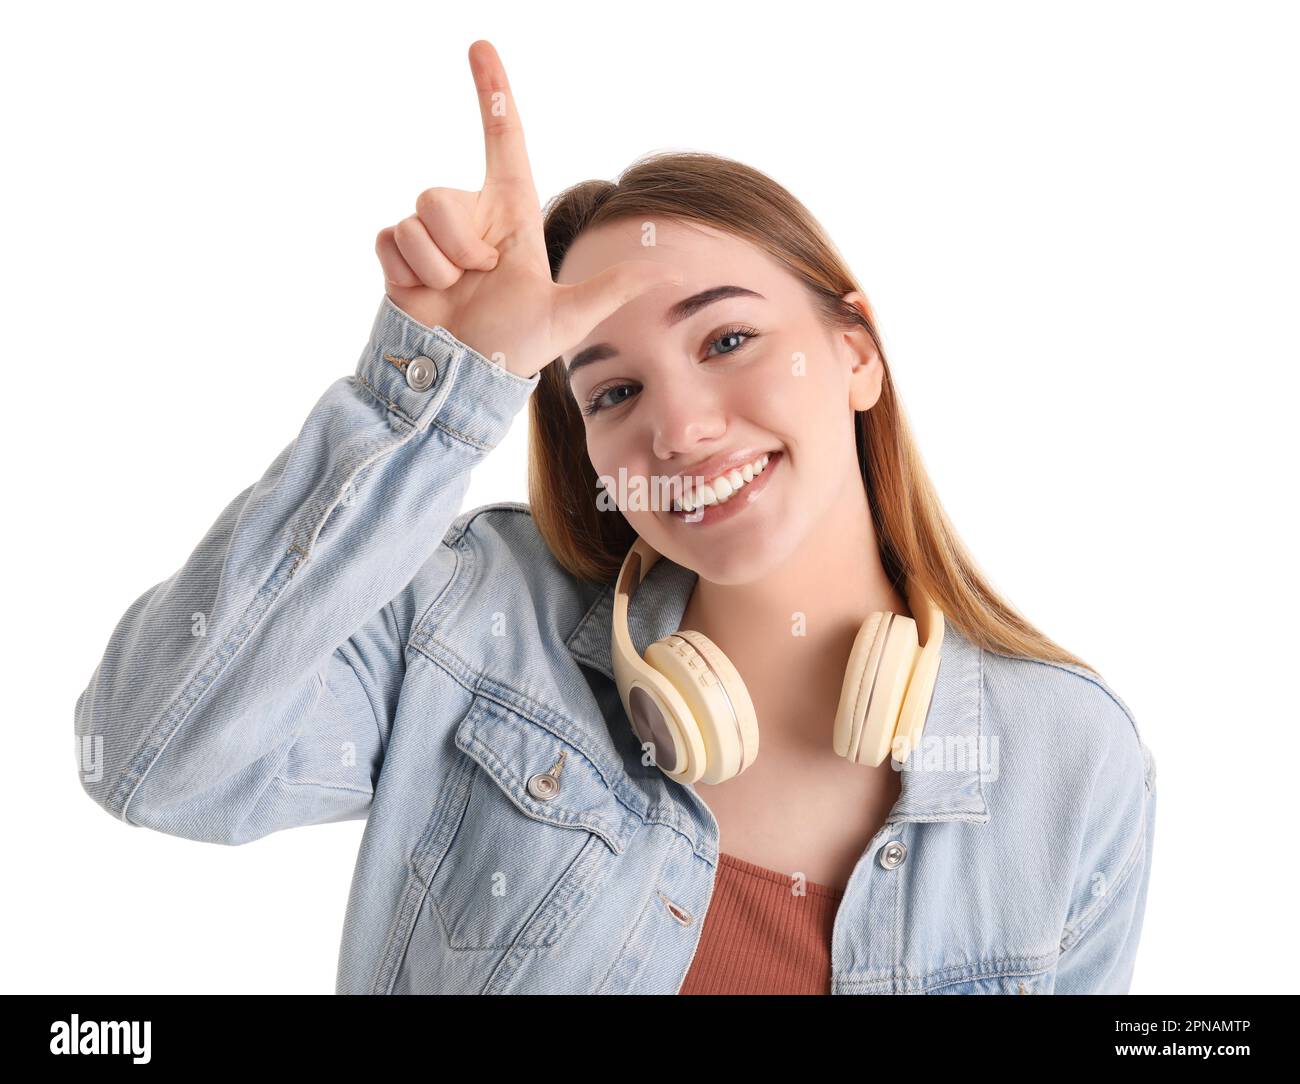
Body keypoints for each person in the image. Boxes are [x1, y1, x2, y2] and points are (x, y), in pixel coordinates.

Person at [74, 39, 1156, 995]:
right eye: (612, 392)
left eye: (726, 339)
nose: (677, 429)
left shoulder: (1071, 762)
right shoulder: (473, 617)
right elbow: (155, 761)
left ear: (855, 352)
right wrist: (434, 392)